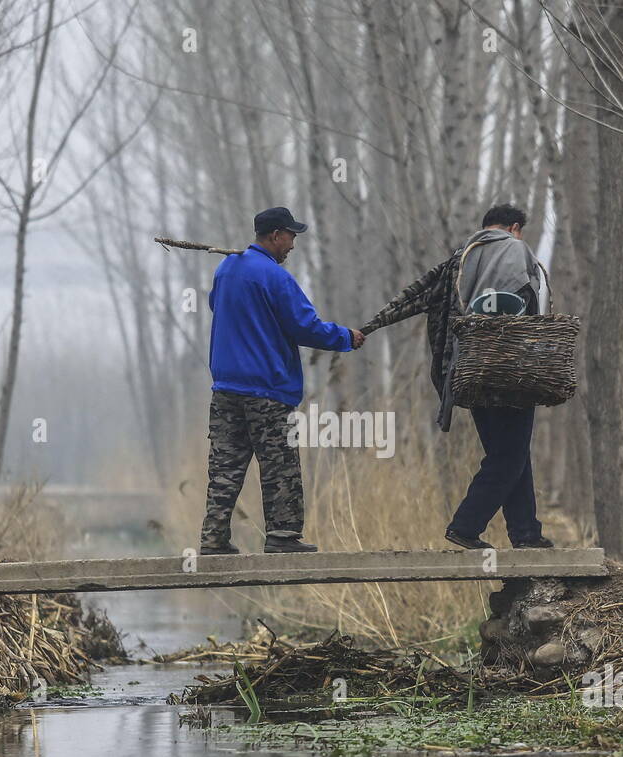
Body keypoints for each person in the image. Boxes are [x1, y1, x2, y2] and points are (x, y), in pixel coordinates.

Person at [365, 202, 553, 551]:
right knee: (509, 455)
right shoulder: (514, 249)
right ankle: (465, 526)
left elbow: (416, 297)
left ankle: (526, 533)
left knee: (510, 452)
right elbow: (520, 302)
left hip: (468, 371)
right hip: (507, 372)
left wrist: (369, 327)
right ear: (514, 228)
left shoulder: (461, 257)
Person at [199, 206, 365, 555]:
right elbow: (305, 327)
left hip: (225, 390)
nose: (292, 244)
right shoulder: (276, 278)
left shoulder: (227, 268)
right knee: (280, 466)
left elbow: (217, 305)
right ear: (275, 236)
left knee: (225, 467)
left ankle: (213, 540)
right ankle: (282, 537)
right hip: (267, 392)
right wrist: (346, 338)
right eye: (290, 236)